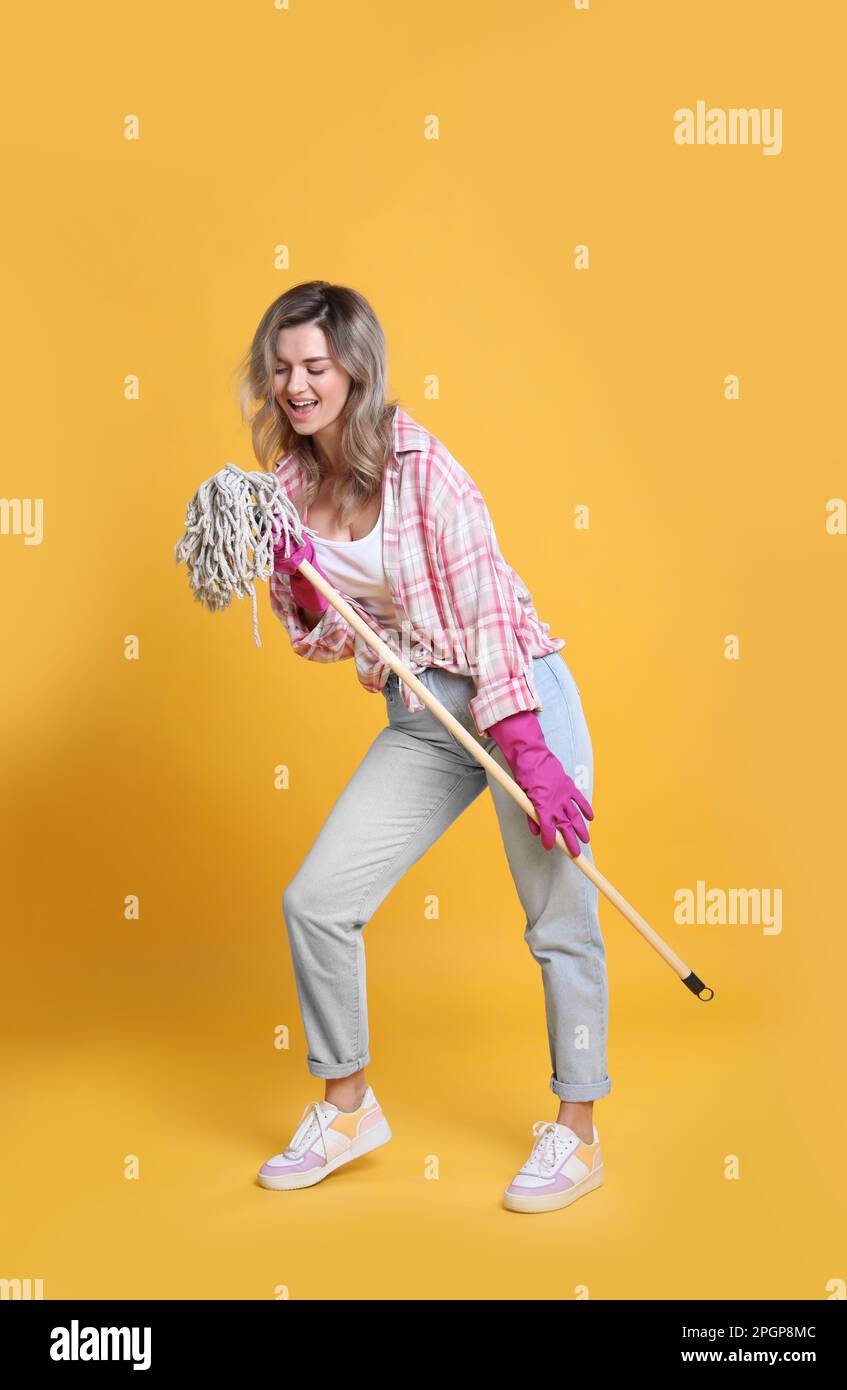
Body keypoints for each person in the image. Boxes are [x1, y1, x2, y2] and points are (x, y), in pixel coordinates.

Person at [236, 281, 611, 1213]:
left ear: (356, 368)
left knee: (558, 914)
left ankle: (578, 1133)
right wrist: (310, 591)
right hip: (424, 715)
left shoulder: (424, 469)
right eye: (281, 369)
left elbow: (487, 614)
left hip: (517, 692)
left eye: (315, 366)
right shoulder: (286, 492)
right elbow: (322, 640)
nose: (296, 385)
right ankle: (350, 1105)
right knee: (317, 902)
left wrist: (525, 743)